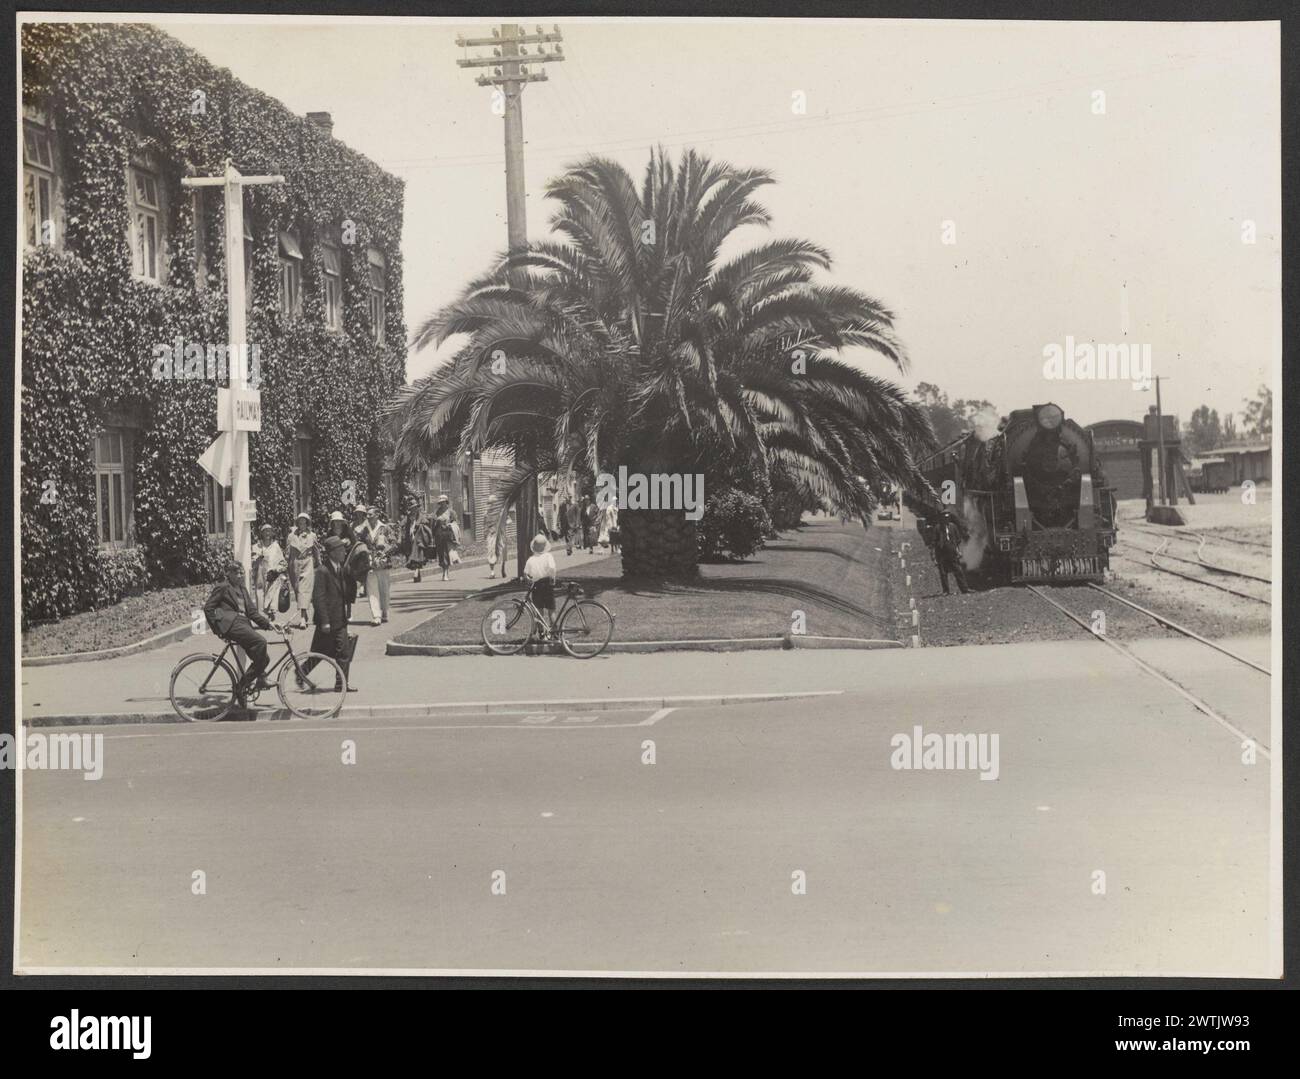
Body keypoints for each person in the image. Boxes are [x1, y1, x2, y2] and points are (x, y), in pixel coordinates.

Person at [204, 561, 275, 703]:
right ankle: (241, 687)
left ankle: (255, 681)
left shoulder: (243, 589)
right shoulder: (223, 587)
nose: (239, 575)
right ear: (228, 574)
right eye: (236, 572)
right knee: (261, 642)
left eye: (241, 572)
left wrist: (269, 624)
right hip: (232, 624)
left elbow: (253, 613)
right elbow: (208, 608)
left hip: (243, 624)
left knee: (264, 659)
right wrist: (217, 630)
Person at [306, 535, 356, 693]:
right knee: (320, 652)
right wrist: (325, 621)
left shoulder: (341, 568)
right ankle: (301, 673)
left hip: (339, 618)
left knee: (344, 652)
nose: (343, 552)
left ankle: (341, 684)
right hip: (327, 620)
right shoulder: (322, 570)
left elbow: (347, 591)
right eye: (340, 549)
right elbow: (318, 598)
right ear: (332, 552)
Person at [357, 505, 394, 625]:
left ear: (377, 515)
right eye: (367, 515)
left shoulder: (385, 528)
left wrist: (385, 551)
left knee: (384, 590)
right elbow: (359, 542)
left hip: (383, 564)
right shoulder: (364, 529)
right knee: (372, 590)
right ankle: (376, 615)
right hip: (370, 564)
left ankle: (384, 611)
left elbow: (395, 542)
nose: (367, 516)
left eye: (370, 514)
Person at [286, 511, 318, 629]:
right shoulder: (291, 536)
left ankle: (303, 618)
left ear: (307, 523)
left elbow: (316, 551)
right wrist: (285, 567)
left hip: (307, 562)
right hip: (294, 564)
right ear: (297, 523)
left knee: (304, 590)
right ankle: (304, 612)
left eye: (304, 522)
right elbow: (287, 552)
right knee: (297, 589)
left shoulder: (312, 536)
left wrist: (318, 565)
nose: (302, 524)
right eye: (300, 522)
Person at [523, 533, 559, 637]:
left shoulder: (531, 560)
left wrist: (528, 580)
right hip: (548, 584)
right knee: (551, 610)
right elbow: (552, 569)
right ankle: (555, 633)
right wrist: (553, 579)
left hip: (536, 586)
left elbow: (526, 574)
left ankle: (541, 633)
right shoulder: (548, 556)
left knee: (539, 610)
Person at [251, 523, 287, 615]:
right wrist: (257, 558)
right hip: (260, 574)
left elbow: (282, 563)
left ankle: (271, 612)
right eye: (265, 531)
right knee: (260, 593)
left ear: (272, 533)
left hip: (273, 575)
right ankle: (261, 614)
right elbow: (252, 561)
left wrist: (277, 570)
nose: (267, 533)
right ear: (261, 533)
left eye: (269, 531)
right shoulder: (256, 546)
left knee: (272, 594)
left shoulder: (276, 546)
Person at [935, 509, 971, 595]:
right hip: (942, 553)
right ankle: (946, 591)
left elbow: (958, 540)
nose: (946, 520)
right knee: (943, 573)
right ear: (941, 519)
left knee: (958, 570)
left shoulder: (953, 527)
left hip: (952, 552)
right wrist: (935, 555)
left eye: (947, 518)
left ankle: (964, 589)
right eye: (944, 518)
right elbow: (934, 542)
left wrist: (958, 551)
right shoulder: (937, 528)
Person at [400, 502, 431, 583]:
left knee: (417, 555)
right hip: (410, 539)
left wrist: (420, 525)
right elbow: (401, 524)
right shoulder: (408, 517)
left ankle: (416, 572)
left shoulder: (420, 516)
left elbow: (426, 522)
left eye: (415, 508)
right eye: (412, 508)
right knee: (412, 555)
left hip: (419, 538)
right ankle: (417, 574)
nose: (414, 509)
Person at [431, 493, 458, 581]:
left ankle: (445, 573)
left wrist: (449, 525)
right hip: (439, 535)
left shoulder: (451, 512)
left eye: (443, 502)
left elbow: (456, 523)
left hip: (448, 535)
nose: (442, 504)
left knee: (447, 554)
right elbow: (433, 524)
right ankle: (444, 571)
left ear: (446, 502)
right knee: (441, 554)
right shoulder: (437, 512)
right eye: (441, 502)